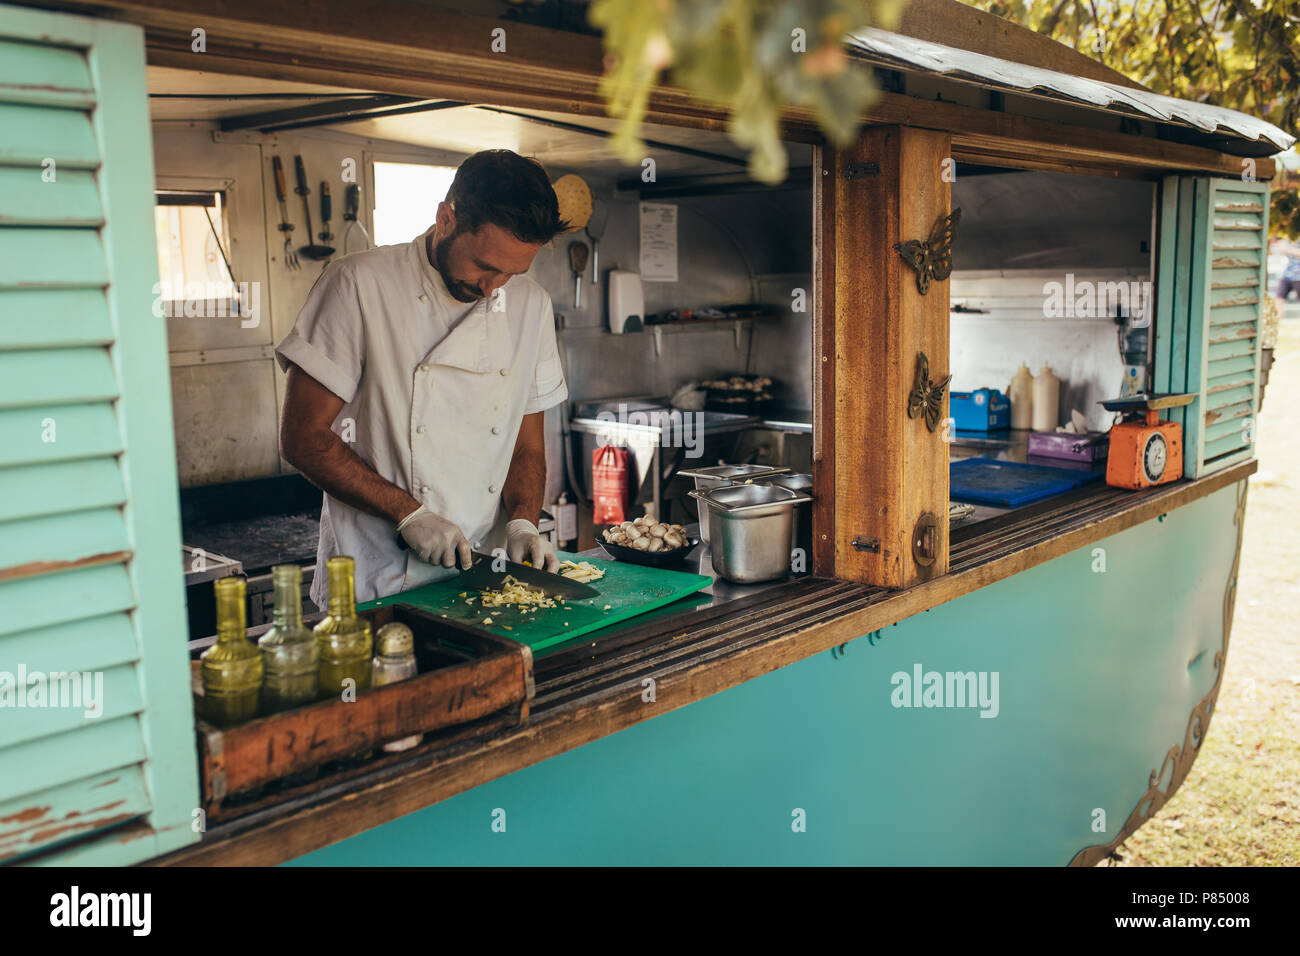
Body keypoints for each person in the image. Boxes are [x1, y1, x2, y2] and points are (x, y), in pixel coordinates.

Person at [275, 150, 570, 607]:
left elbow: (526, 445)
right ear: (446, 218)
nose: (494, 288)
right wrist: (409, 515)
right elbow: (302, 438)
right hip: (377, 584)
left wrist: (524, 523)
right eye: (486, 266)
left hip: (482, 585)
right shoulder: (358, 284)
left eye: (512, 273)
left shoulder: (531, 306)